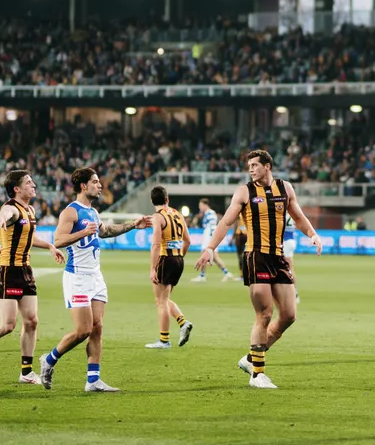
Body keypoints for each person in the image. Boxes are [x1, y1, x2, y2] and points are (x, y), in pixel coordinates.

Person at [194, 149, 322, 389]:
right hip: (256, 256)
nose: (251, 169)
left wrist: (312, 234)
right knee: (264, 314)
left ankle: (251, 359)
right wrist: (210, 247)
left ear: (267, 166)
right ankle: (257, 375)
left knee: (289, 315)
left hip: (279, 257)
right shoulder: (244, 191)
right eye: (249, 166)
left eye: (255, 165)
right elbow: (226, 221)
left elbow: (298, 216)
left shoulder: (285, 188)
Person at [39, 168, 149, 392]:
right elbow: (58, 240)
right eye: (95, 182)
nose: (100, 186)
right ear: (83, 186)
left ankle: (93, 380)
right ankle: (49, 360)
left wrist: (132, 225)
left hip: (95, 277)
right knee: (83, 330)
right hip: (77, 277)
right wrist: (83, 233)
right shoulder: (71, 212)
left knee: (97, 327)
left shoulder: (93, 212)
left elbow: (105, 231)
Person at [0, 170, 65, 382]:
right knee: (7, 325)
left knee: (32, 321)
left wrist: (49, 245)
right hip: (7, 271)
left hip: (25, 271)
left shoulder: (29, 209)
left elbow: (28, 236)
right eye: (29, 182)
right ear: (17, 189)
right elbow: (5, 215)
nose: (34, 185)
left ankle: (26, 372)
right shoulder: (11, 207)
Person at [145, 187, 193, 349]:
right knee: (163, 299)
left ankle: (164, 340)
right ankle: (183, 322)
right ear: (167, 199)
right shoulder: (177, 213)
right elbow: (188, 241)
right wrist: (179, 257)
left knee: (161, 302)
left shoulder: (157, 217)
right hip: (178, 258)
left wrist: (153, 268)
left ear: (152, 201)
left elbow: (156, 244)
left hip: (165, 259)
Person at [190, 198, 234, 283]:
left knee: (204, 255)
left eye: (201, 205)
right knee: (215, 258)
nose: (200, 207)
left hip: (209, 237)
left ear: (205, 205)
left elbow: (213, 226)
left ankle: (202, 276)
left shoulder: (210, 213)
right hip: (208, 236)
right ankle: (227, 273)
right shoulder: (207, 214)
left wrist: (211, 240)